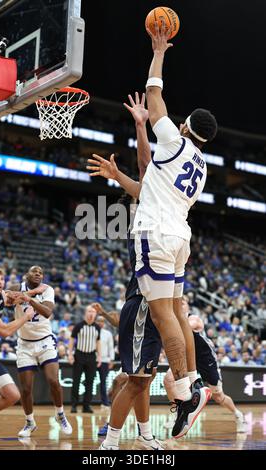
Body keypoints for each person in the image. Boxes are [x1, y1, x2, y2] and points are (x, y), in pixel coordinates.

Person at [88, 21, 217, 439]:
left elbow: (155, 95)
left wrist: (159, 50)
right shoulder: (201, 167)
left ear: (185, 128)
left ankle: (185, 391)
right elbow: (147, 186)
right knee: (177, 310)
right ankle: (191, 381)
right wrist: (118, 175)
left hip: (156, 236)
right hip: (179, 235)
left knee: (163, 315)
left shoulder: (175, 142)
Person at [88, 94, 171, 451]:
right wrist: (140, 124)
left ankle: (145, 433)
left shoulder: (170, 207)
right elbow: (144, 167)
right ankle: (110, 442)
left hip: (157, 300)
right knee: (135, 379)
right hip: (141, 298)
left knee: (143, 377)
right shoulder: (145, 211)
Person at [164, 297, 247, 433]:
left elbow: (187, 326)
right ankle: (176, 415)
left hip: (205, 359)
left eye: (182, 302)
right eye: (176, 303)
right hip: (185, 357)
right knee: (168, 380)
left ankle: (238, 415)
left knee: (218, 396)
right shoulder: (173, 320)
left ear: (188, 307)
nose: (179, 304)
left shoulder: (194, 318)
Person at [9, 265, 72, 437]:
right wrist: (24, 295)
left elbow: (47, 312)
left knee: (53, 381)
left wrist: (27, 299)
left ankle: (60, 414)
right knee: (26, 388)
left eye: (41, 272)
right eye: (34, 271)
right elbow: (6, 299)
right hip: (24, 343)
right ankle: (30, 422)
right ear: (26, 275)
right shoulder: (17, 288)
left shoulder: (48, 290)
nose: (38, 273)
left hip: (45, 341)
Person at [0, 267, 34, 415]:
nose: (0, 282)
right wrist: (26, 317)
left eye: (2, 279)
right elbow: (4, 331)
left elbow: (12, 296)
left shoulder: (1, 296)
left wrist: (28, 294)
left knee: (12, 395)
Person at [68, 305, 101, 413]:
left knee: (90, 382)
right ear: (85, 313)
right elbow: (72, 339)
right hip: (79, 355)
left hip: (91, 356)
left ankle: (86, 405)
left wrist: (99, 356)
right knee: (76, 381)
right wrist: (70, 354)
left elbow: (98, 342)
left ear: (95, 314)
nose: (91, 313)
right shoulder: (79, 326)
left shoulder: (97, 327)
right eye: (89, 311)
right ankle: (74, 405)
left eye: (93, 312)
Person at [96, 316, 115, 408]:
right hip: (93, 359)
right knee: (89, 381)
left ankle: (104, 402)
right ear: (96, 321)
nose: (100, 323)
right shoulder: (92, 331)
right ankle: (86, 402)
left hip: (104, 360)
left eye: (102, 321)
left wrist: (111, 359)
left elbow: (111, 347)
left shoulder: (108, 334)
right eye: (99, 321)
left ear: (104, 323)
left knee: (103, 381)